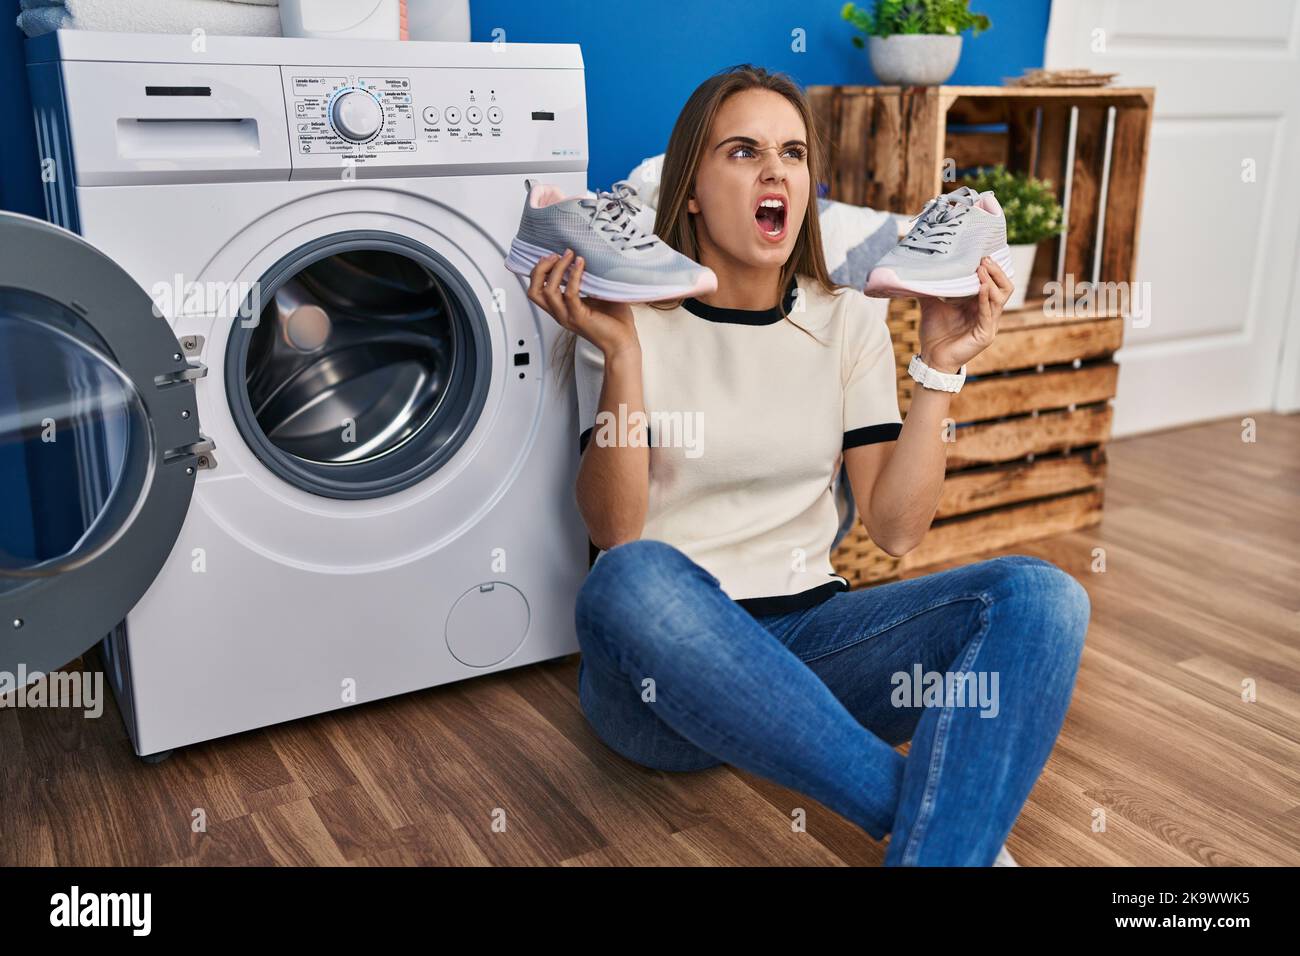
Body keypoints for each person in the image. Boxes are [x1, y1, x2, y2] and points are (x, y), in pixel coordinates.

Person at [524, 64, 1090, 866]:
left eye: (792, 154)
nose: (774, 172)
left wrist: (939, 367)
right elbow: (616, 528)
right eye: (742, 151)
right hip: (662, 674)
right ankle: (929, 825)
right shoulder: (626, 312)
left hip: (813, 647)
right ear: (689, 189)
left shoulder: (847, 315)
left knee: (1045, 597)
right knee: (629, 576)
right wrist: (616, 352)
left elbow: (894, 531)